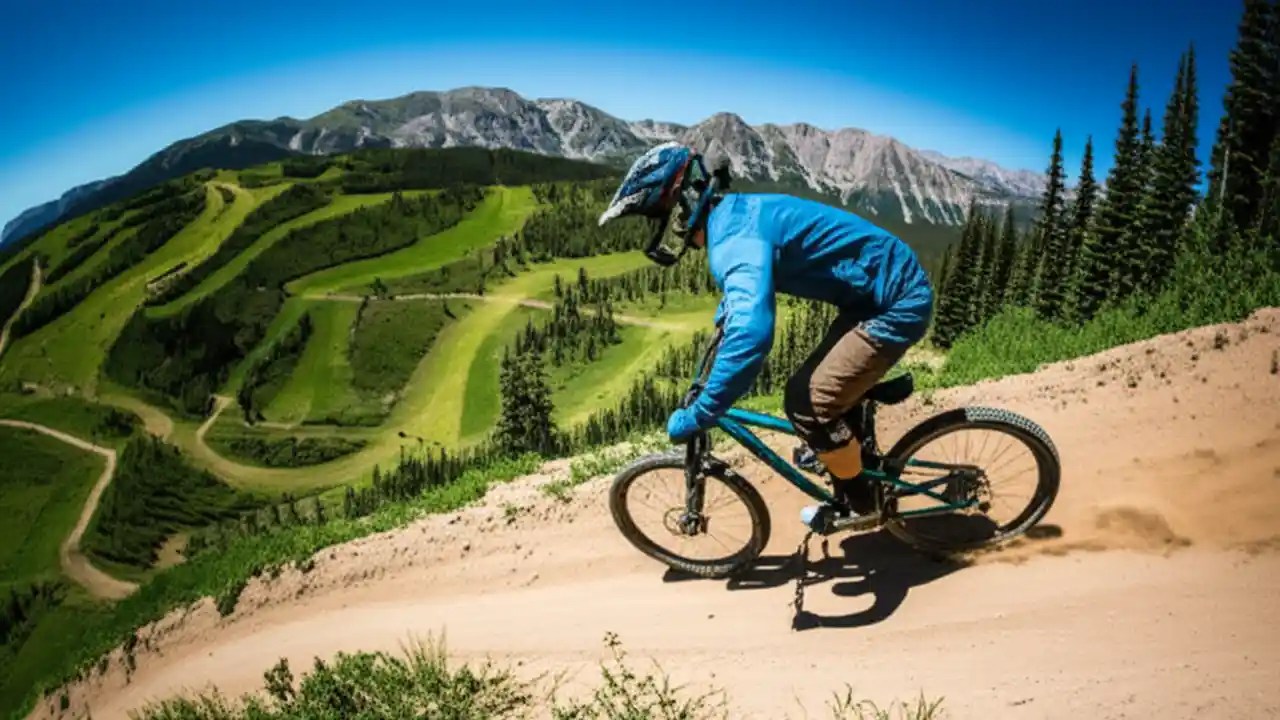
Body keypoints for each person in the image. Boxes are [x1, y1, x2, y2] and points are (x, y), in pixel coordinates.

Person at [598, 141, 935, 533]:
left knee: (808, 402)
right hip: (873, 293)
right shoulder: (733, 216)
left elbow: (752, 334)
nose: (661, 228)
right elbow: (748, 292)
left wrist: (702, 412)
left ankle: (863, 503)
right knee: (822, 391)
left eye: (657, 217)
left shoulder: (732, 242)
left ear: (680, 207)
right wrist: (728, 311)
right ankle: (848, 450)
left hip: (894, 304)